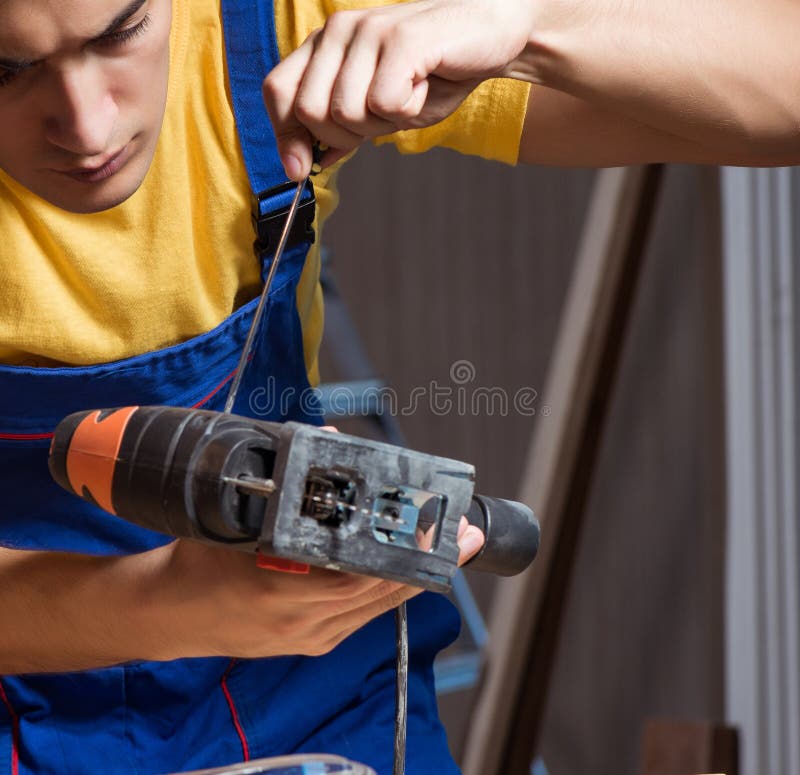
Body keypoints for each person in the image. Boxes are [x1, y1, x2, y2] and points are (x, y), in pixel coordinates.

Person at [0, 0, 796, 773]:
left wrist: (530, 26)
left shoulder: (278, 22)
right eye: (7, 70)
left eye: (123, 30)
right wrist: (167, 607)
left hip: (311, 686)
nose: (88, 126)